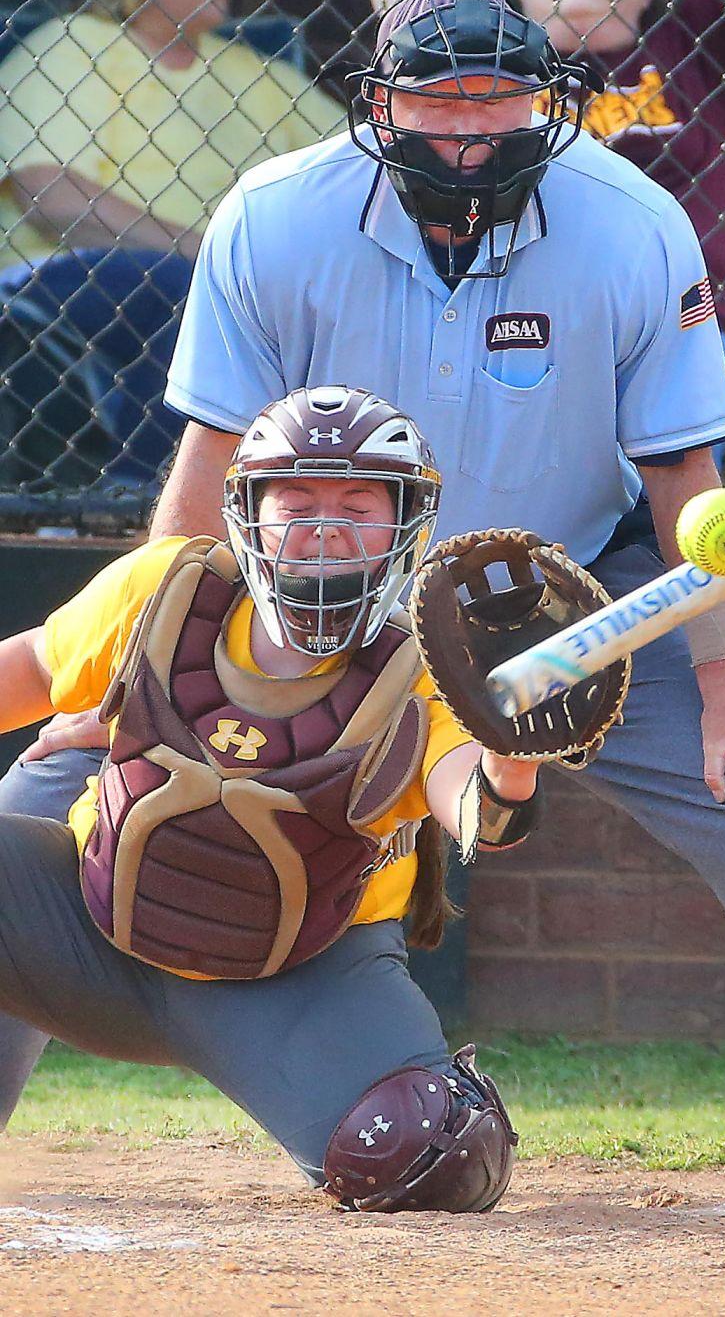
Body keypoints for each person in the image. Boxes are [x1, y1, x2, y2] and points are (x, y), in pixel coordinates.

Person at [9, 0, 725, 1207]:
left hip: (566, 597)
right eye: (436, 102)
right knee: (55, 784)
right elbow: (210, 468)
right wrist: (137, 678)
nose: (468, 128)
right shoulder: (275, 218)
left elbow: (685, 483)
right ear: (377, 107)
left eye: (498, 100)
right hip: (324, 603)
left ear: (550, 103)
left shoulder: (632, 222)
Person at [0, 384, 531, 1211]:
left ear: (404, 525)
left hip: (298, 981)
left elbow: (477, 813)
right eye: (298, 499)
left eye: (359, 502)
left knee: (431, 1156)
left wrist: (511, 760)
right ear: (249, 511)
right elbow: (33, 668)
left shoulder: (427, 663)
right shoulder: (167, 588)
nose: (324, 525)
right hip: (86, 930)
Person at [361, 0, 725, 461]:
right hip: (513, 338)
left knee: (659, 447)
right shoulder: (483, 72)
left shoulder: (699, 47)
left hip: (690, 336)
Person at [0, 0, 345, 484]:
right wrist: (207, 252)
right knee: (183, 290)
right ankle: (140, 492)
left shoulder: (255, 73)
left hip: (232, 286)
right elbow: (46, 189)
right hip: (65, 282)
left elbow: (364, 161)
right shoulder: (75, 46)